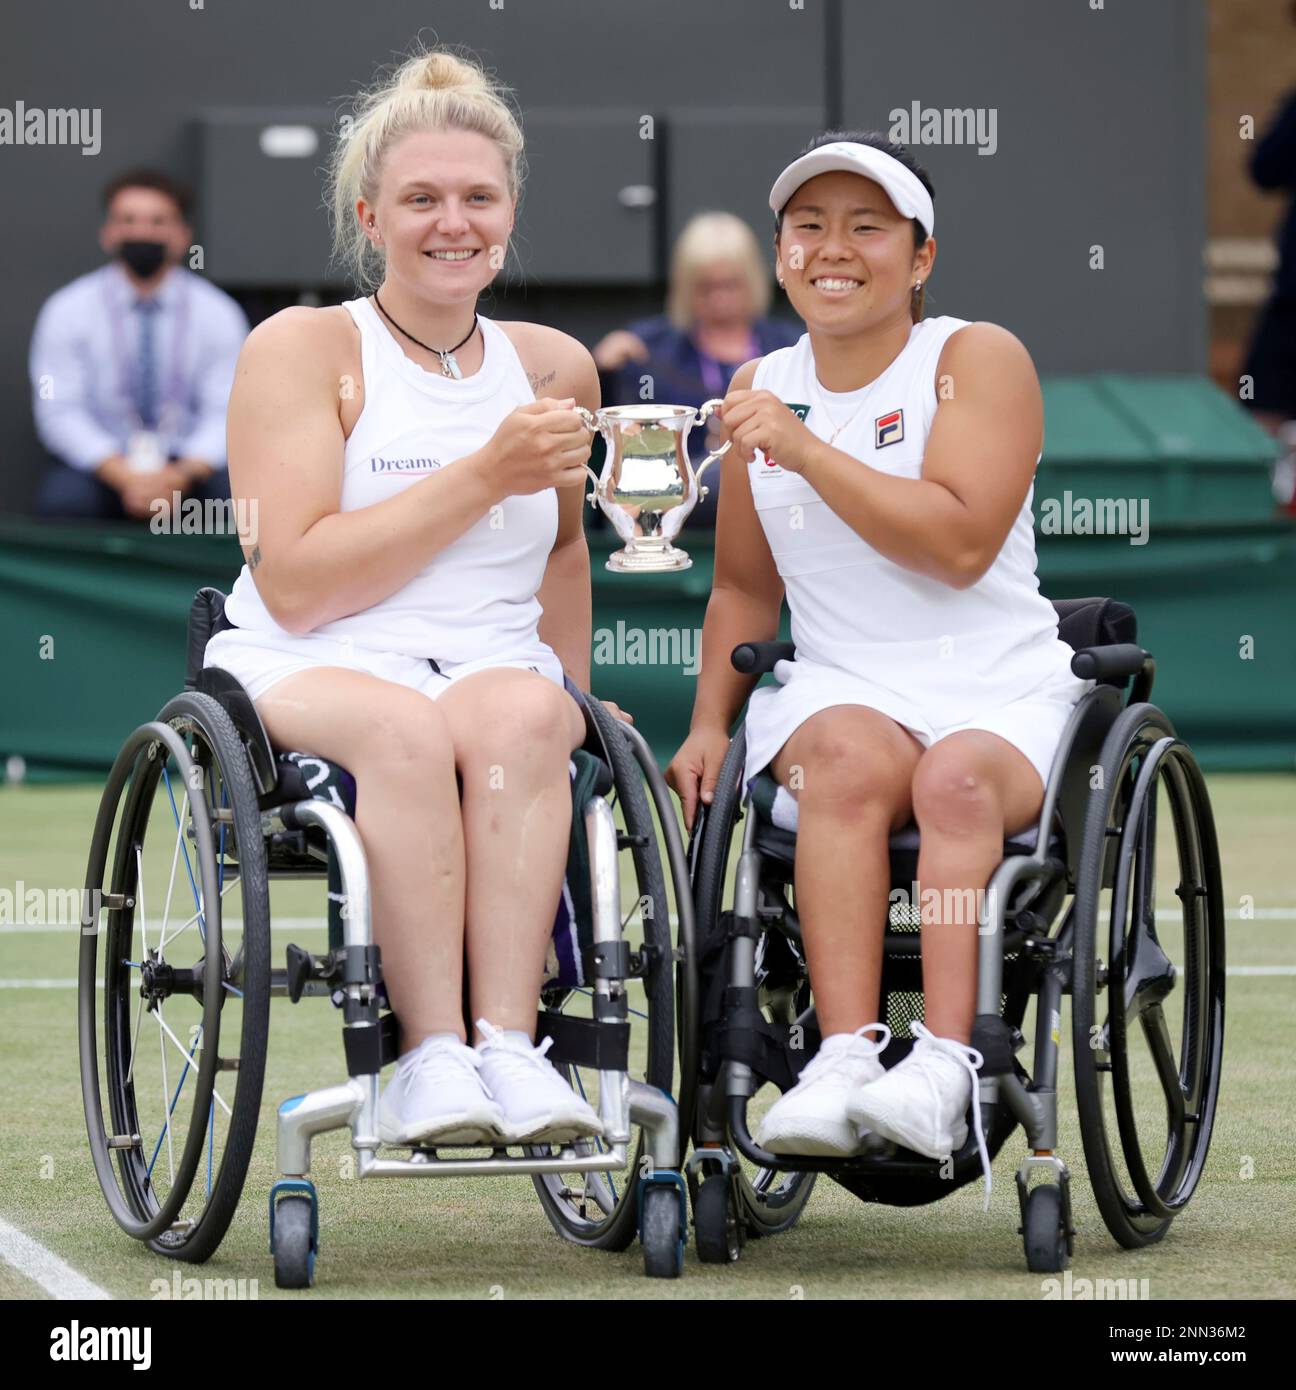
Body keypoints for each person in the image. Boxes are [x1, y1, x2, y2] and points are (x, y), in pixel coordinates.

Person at [203, 47, 630, 1148]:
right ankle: (430, 1056)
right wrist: (483, 474)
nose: (454, 223)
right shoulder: (302, 348)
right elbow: (297, 582)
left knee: (528, 716)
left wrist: (577, 694)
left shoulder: (556, 367)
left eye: (479, 198)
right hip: (315, 658)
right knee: (403, 732)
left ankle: (509, 1044)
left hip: (489, 659)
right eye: (421, 199)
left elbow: (562, 554)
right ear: (370, 216)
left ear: (511, 212)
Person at [666, 133, 1092, 1201]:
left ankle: (945, 1065)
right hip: (846, 688)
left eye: (867, 227)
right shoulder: (760, 383)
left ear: (921, 256)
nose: (833, 248)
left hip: (1000, 687)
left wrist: (807, 449)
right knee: (843, 768)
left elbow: (958, 545)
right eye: (808, 227)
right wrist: (710, 721)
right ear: (780, 254)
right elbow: (743, 591)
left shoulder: (975, 358)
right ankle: (844, 1057)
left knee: (954, 781)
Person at [29, 169, 248, 522]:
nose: (142, 233)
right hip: (103, 463)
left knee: (236, 503)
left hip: (189, 464)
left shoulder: (218, 313)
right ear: (108, 233)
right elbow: (59, 411)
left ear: (182, 235)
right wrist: (123, 475)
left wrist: (180, 475)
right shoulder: (66, 310)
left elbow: (227, 411)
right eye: (128, 220)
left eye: (158, 221)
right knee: (65, 502)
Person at [592, 212, 799, 526]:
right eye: (706, 288)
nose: (720, 299)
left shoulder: (790, 346)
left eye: (731, 285)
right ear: (686, 287)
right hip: (678, 512)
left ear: (753, 280)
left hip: (776, 501)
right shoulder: (648, 347)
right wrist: (603, 371)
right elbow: (608, 436)